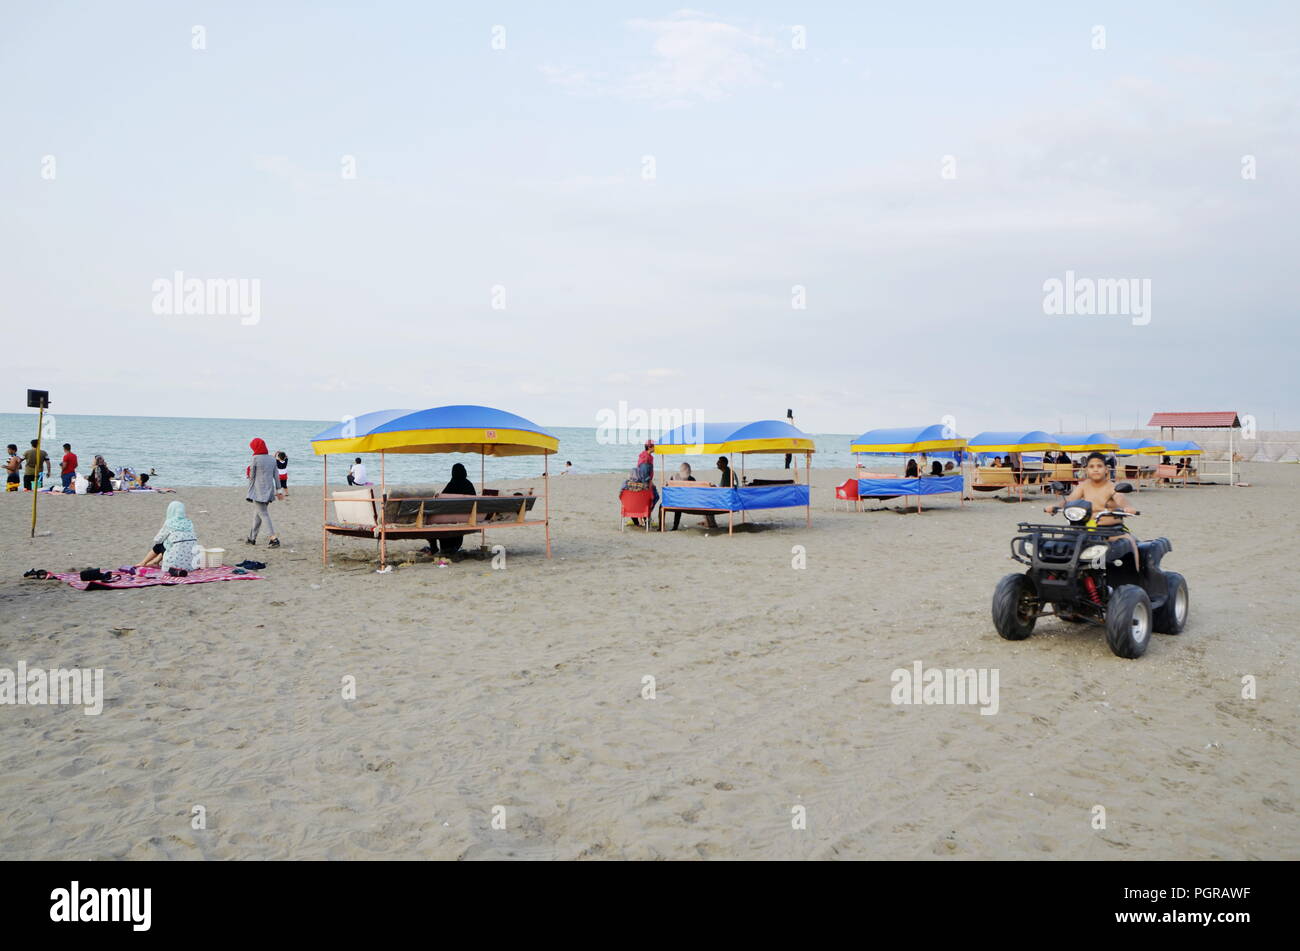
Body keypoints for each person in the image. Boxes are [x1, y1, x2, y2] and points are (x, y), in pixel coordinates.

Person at [138, 501, 202, 573]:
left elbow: (157, 540)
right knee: (171, 544)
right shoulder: (189, 523)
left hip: (172, 567)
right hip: (192, 565)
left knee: (162, 544)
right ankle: (155, 561)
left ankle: (143, 563)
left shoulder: (169, 523)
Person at [433, 462, 476, 556]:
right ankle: (454, 547)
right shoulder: (469, 485)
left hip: (449, 520)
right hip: (466, 519)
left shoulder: (451, 484)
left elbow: (440, 501)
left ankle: (439, 548)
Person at [245, 438, 280, 548]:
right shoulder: (272, 459)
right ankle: (252, 538)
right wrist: (279, 490)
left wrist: (248, 476)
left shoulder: (255, 458)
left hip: (258, 492)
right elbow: (276, 476)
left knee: (263, 514)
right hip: (269, 491)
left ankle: (273, 539)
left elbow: (251, 477)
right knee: (258, 515)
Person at [668, 462, 718, 530]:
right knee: (707, 501)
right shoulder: (692, 479)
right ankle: (710, 523)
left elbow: (668, 488)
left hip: (676, 502)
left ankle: (674, 526)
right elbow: (695, 492)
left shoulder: (673, 477)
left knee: (676, 507)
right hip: (690, 503)